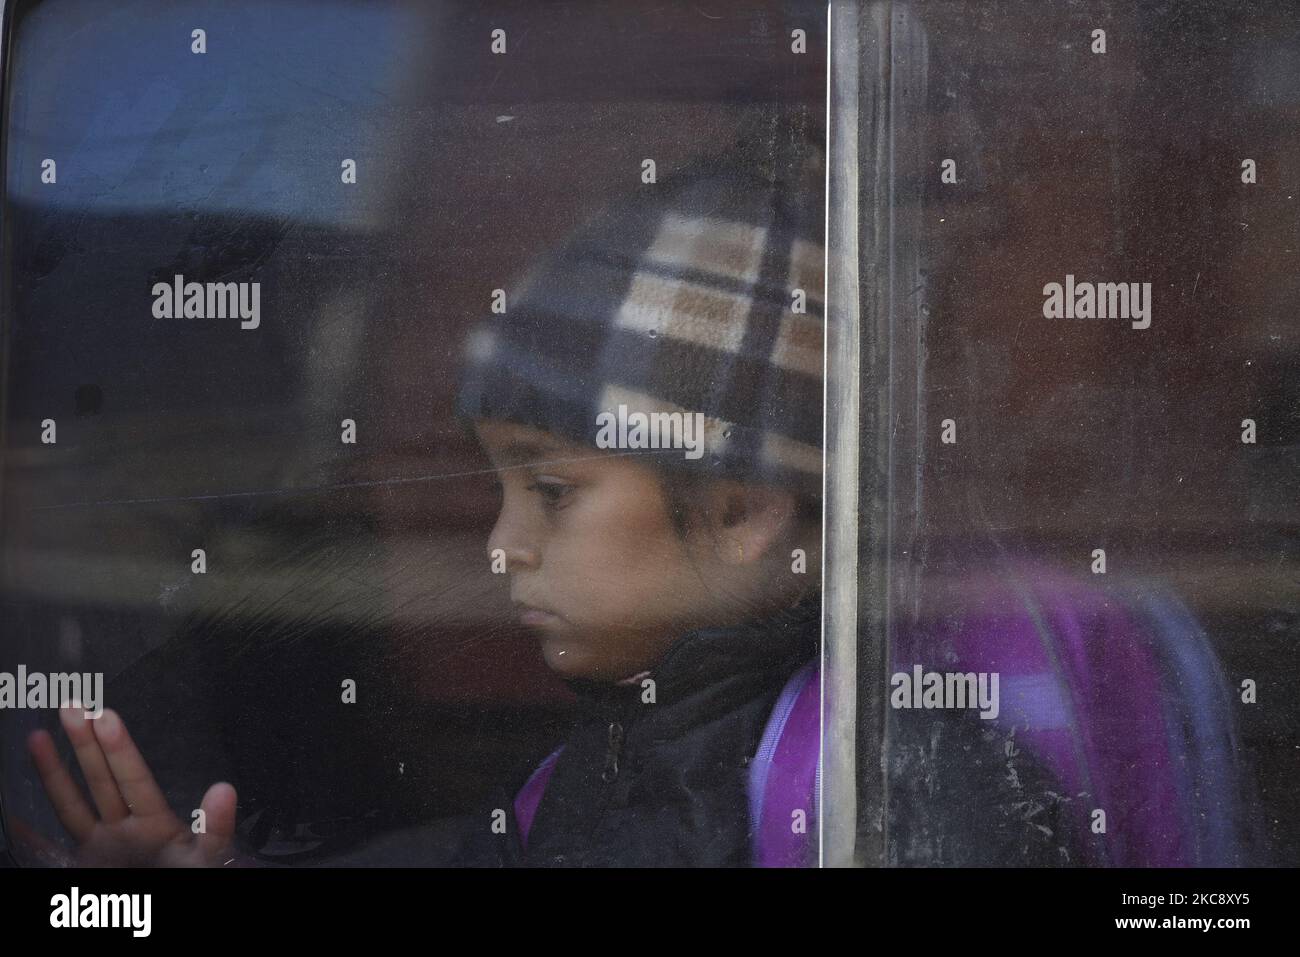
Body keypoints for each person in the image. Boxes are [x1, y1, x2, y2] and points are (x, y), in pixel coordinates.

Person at [24, 116, 1075, 867]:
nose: (501, 547)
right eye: (499, 489)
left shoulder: (897, 797)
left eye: (553, 491)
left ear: (743, 510)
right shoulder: (614, 760)